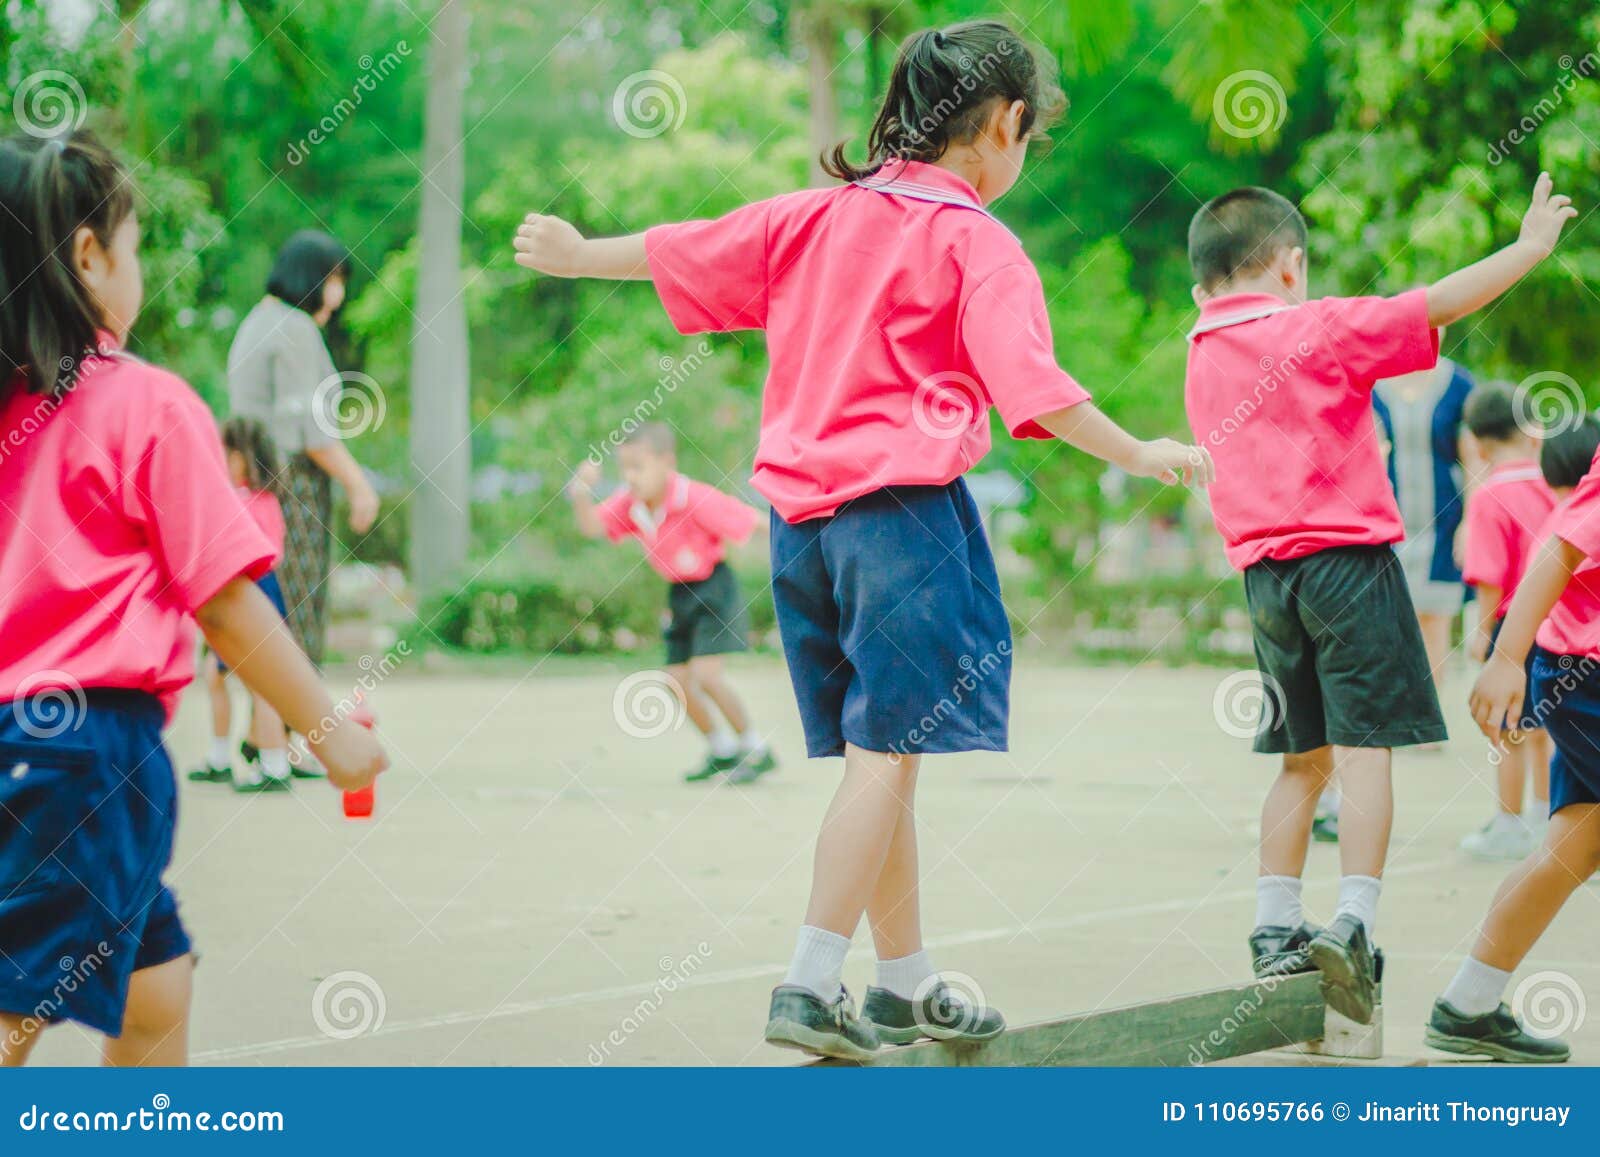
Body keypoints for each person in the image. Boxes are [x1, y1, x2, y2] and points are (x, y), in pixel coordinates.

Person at [515, 19, 1212, 1060]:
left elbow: (682, 245)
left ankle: (903, 983)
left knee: (886, 755)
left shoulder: (814, 217)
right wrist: (1139, 448)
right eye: (1032, 138)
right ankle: (807, 980)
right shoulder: (975, 239)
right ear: (1007, 123)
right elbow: (1037, 392)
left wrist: (576, 257)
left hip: (802, 529)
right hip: (900, 525)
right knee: (887, 757)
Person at [0, 129, 387, 1067]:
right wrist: (330, 731)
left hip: (36, 754)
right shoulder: (147, 404)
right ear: (89, 256)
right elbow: (226, 602)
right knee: (15, 1010)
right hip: (82, 758)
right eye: (132, 250)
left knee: (156, 988)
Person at [1183, 173, 1574, 1026]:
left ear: (1203, 283)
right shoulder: (1313, 325)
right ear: (1290, 265)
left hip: (1266, 579)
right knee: (1367, 752)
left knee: (1302, 757)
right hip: (1348, 564)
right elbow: (1432, 305)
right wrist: (1530, 248)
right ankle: (1354, 920)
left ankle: (1275, 923)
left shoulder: (1201, 350)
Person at [1430, 417, 1600, 1063]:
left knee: (1575, 846)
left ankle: (1468, 1006)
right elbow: (1562, 545)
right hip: (1586, 667)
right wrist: (1505, 657)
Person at [568, 423, 777, 784]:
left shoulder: (693, 497)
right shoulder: (632, 504)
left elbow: (752, 521)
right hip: (679, 594)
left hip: (715, 589)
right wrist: (581, 493)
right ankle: (722, 749)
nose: (631, 477)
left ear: (667, 462)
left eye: (639, 466)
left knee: (706, 676)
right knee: (674, 679)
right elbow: (592, 528)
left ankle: (757, 748)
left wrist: (802, 543)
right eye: (625, 468)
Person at [227, 230, 379, 674]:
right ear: (312, 277)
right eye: (334, 279)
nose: (340, 292)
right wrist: (359, 485)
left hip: (253, 482)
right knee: (299, 604)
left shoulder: (256, 321)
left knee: (269, 606)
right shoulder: (293, 329)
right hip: (293, 484)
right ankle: (297, 725)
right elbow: (312, 433)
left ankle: (265, 733)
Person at [1457, 384, 1556, 859]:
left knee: (1509, 729)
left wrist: (1482, 633)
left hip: (1512, 629)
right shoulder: (1555, 486)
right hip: (1560, 623)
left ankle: (1509, 823)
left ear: (1476, 444)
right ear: (1531, 431)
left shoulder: (1490, 496)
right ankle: (1547, 813)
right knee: (1550, 729)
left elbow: (1490, 578)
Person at [187, 418, 299, 793]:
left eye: (228, 455)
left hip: (246, 593)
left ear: (243, 459)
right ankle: (224, 757)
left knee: (257, 685)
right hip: (250, 591)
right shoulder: (268, 502)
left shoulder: (242, 502)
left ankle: (274, 764)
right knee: (217, 676)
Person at [1373, 354, 1474, 688]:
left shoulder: (1458, 385)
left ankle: (1428, 721)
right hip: (1384, 523)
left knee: (1434, 618)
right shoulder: (1372, 383)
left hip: (1443, 521)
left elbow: (1473, 459)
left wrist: (1471, 522)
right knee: (1386, 620)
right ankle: (1392, 715)